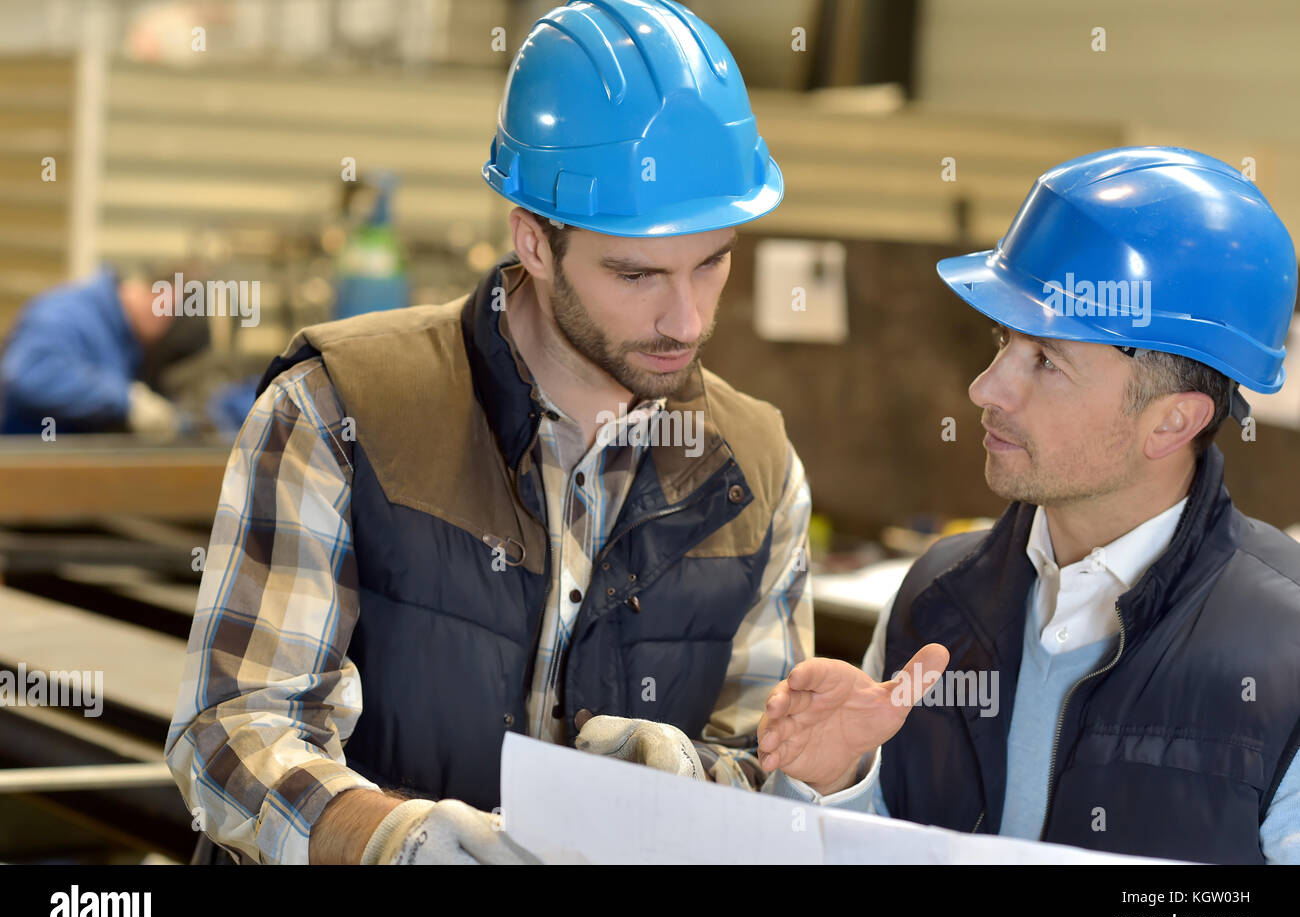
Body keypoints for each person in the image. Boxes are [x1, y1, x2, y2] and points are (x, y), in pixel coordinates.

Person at [166, 0, 811, 865]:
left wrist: (689, 782)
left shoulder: (756, 469)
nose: (687, 319)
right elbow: (230, 733)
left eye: (714, 261)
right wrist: (389, 841)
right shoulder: (340, 410)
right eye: (636, 273)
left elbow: (767, 773)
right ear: (534, 243)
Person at [758, 146, 1300, 864]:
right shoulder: (933, 601)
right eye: (1003, 341)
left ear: (1173, 420)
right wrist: (832, 786)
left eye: (1046, 359)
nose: (986, 388)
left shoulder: (1284, 655)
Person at [0, 266, 185, 436]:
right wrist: (127, 400)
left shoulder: (121, 336)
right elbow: (32, 375)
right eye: (167, 308)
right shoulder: (68, 314)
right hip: (27, 460)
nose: (166, 323)